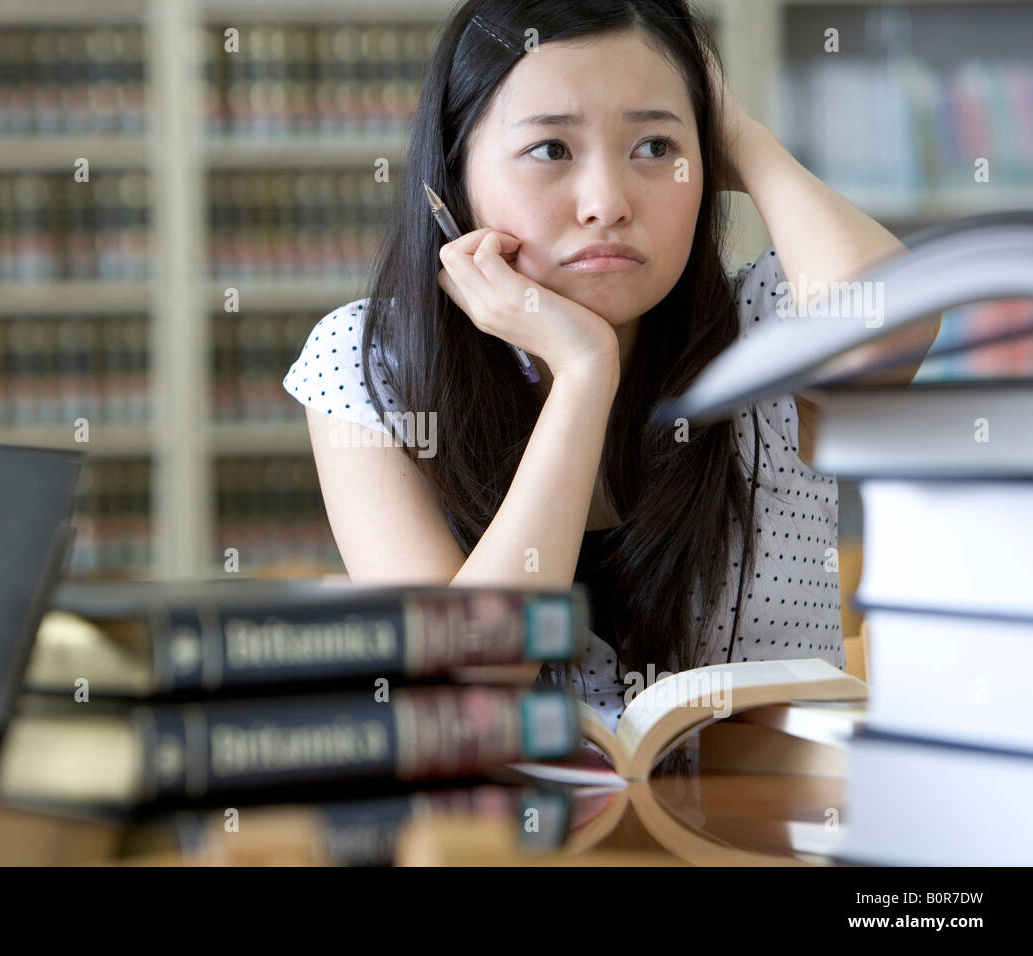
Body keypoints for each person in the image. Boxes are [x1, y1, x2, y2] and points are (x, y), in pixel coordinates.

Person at [281, 0, 939, 732]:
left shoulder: (767, 328)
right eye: (551, 151)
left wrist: (743, 136)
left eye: (656, 148)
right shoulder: (370, 365)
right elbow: (467, 678)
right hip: (523, 843)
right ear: (453, 177)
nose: (607, 203)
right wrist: (583, 376)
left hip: (770, 834)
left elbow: (892, 329)